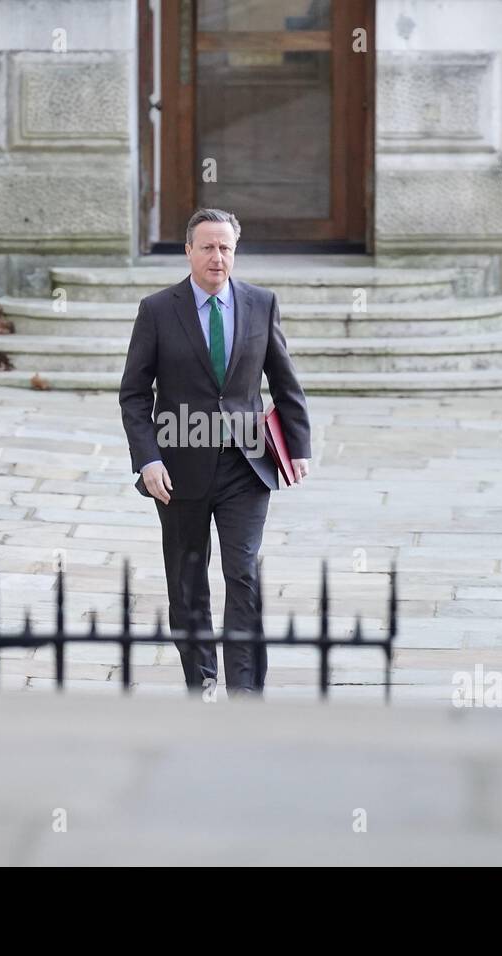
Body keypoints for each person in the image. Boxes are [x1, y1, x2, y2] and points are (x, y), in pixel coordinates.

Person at [118, 208, 312, 698]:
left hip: (246, 466)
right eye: (207, 246)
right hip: (179, 467)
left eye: (225, 247)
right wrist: (148, 458)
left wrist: (299, 444)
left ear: (235, 252)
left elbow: (285, 382)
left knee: (241, 572)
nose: (217, 257)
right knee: (188, 580)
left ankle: (246, 689)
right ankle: (201, 681)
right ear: (188, 251)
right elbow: (135, 395)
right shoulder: (158, 310)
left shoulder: (261, 304)